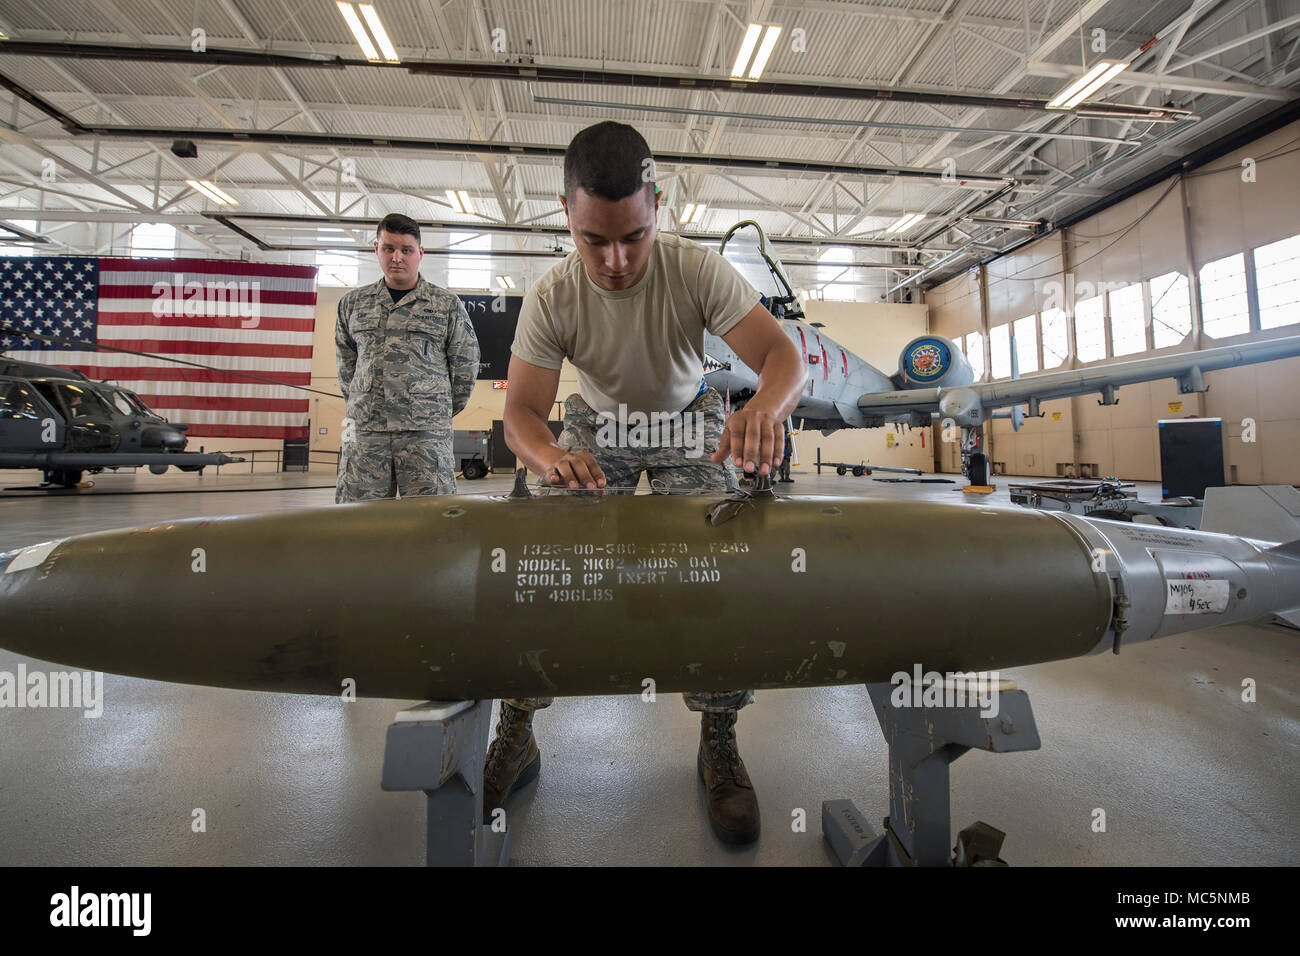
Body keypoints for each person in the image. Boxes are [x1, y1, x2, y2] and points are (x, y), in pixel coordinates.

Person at [490, 121, 806, 845]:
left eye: (632, 236)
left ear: (656, 205)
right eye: (593, 239)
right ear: (566, 215)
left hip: (685, 420)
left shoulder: (695, 270)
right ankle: (517, 724)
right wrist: (548, 461)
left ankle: (718, 738)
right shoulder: (553, 295)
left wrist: (765, 407)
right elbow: (521, 416)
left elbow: (784, 357)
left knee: (718, 568)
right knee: (540, 566)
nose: (615, 259)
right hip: (598, 427)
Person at [334, 213, 480, 501]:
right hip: (366, 433)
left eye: (406, 250)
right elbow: (346, 365)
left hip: (425, 435)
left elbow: (465, 366)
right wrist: (363, 403)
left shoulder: (446, 305)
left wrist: (433, 411)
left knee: (433, 521)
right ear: (376, 249)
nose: (397, 257)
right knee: (356, 524)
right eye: (388, 248)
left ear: (420, 253)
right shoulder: (352, 304)